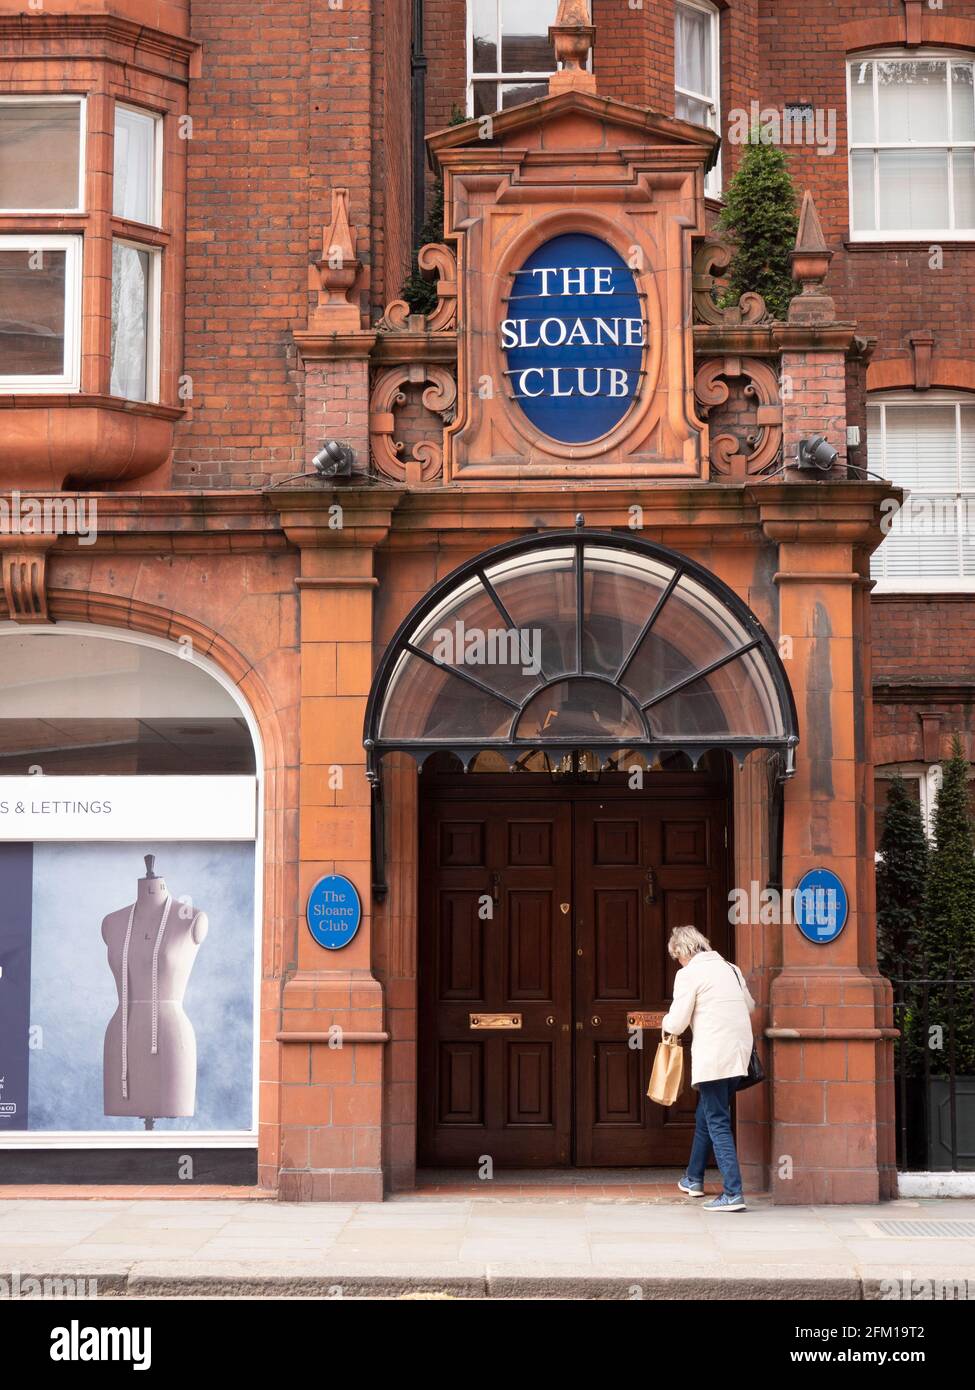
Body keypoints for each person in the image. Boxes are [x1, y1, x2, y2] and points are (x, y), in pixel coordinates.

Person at [660, 924, 756, 1212]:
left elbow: (676, 1022)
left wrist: (664, 1024)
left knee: (717, 1121)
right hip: (738, 1055)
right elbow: (749, 1005)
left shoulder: (689, 974)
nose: (678, 962)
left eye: (677, 956)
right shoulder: (731, 968)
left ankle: (733, 1193)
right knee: (708, 1112)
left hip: (714, 1057)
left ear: (683, 951)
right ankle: (693, 1178)